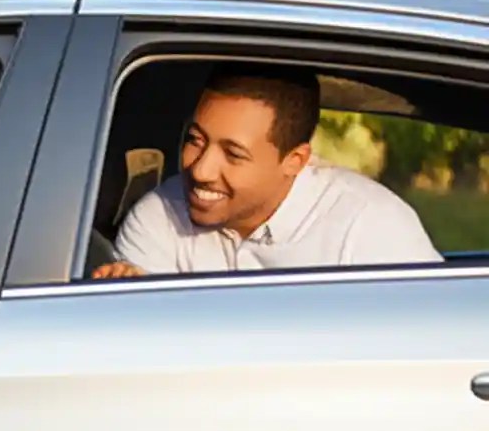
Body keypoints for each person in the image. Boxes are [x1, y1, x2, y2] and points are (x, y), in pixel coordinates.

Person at [93, 62, 442, 279]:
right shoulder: (160, 215)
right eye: (196, 140)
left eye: (233, 154)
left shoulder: (370, 228)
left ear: (295, 161)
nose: (201, 170)